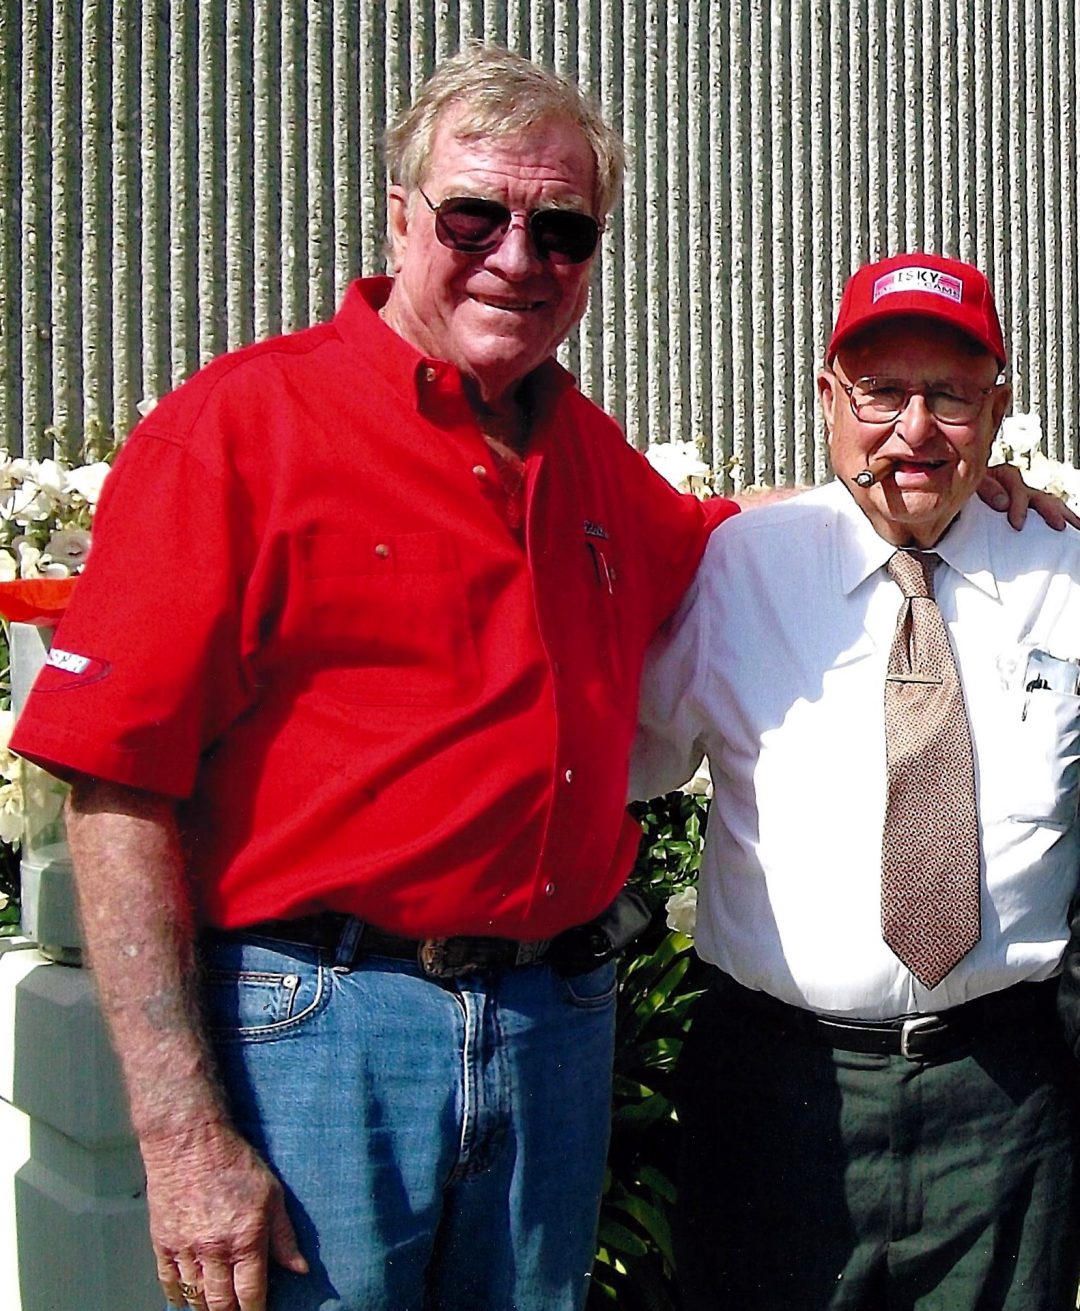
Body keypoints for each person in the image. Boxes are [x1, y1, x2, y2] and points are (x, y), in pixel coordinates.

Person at [6, 52, 1065, 1311]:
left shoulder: (587, 459)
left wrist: (961, 504)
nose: (518, 255)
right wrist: (182, 1140)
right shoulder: (241, 431)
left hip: (546, 1033)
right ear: (400, 216)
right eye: (475, 214)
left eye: (561, 230)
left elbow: (726, 534)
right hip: (329, 1030)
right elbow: (112, 781)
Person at [632, 252, 1080, 1310]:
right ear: (831, 399)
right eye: (882, 391)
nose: (914, 429)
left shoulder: (1065, 576)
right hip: (780, 1095)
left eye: (951, 394)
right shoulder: (735, 569)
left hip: (1008, 1101)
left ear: (998, 406)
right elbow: (615, 766)